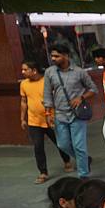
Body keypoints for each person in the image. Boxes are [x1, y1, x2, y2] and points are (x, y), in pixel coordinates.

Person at [43, 43, 96, 179]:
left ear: (66, 56)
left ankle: (83, 175)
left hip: (77, 114)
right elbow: (47, 93)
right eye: (52, 56)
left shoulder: (79, 72)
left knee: (79, 146)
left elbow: (93, 89)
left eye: (57, 56)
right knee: (63, 144)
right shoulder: (50, 72)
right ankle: (84, 159)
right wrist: (48, 113)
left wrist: (81, 97)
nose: (53, 58)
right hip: (60, 115)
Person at [19, 59, 73, 183]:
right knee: (38, 146)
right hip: (34, 121)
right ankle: (43, 172)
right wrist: (22, 118)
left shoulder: (47, 82)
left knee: (60, 143)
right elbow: (23, 102)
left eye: (25, 69)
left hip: (51, 119)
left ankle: (67, 161)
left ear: (34, 70)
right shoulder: (23, 84)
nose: (22, 72)